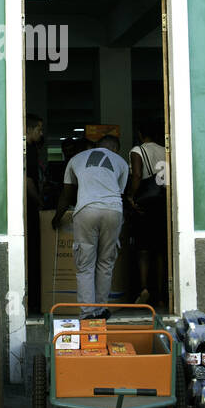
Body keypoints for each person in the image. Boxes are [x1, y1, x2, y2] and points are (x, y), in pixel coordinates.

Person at [53, 134, 128, 319]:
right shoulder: (121, 162)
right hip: (113, 211)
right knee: (105, 263)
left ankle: (87, 313)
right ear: (115, 149)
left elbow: (67, 193)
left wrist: (57, 216)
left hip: (86, 211)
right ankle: (101, 309)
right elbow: (120, 193)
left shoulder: (76, 159)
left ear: (96, 145)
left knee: (85, 265)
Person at [126, 122, 168, 307]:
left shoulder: (137, 150)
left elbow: (136, 175)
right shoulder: (165, 150)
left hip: (145, 205)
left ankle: (144, 288)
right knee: (159, 251)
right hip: (162, 203)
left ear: (140, 133)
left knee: (143, 250)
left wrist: (130, 197)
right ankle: (159, 295)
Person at [25, 113, 45, 311]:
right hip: (29, 208)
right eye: (39, 129)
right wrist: (38, 202)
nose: (41, 133)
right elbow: (28, 181)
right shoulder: (28, 150)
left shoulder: (32, 149)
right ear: (28, 129)